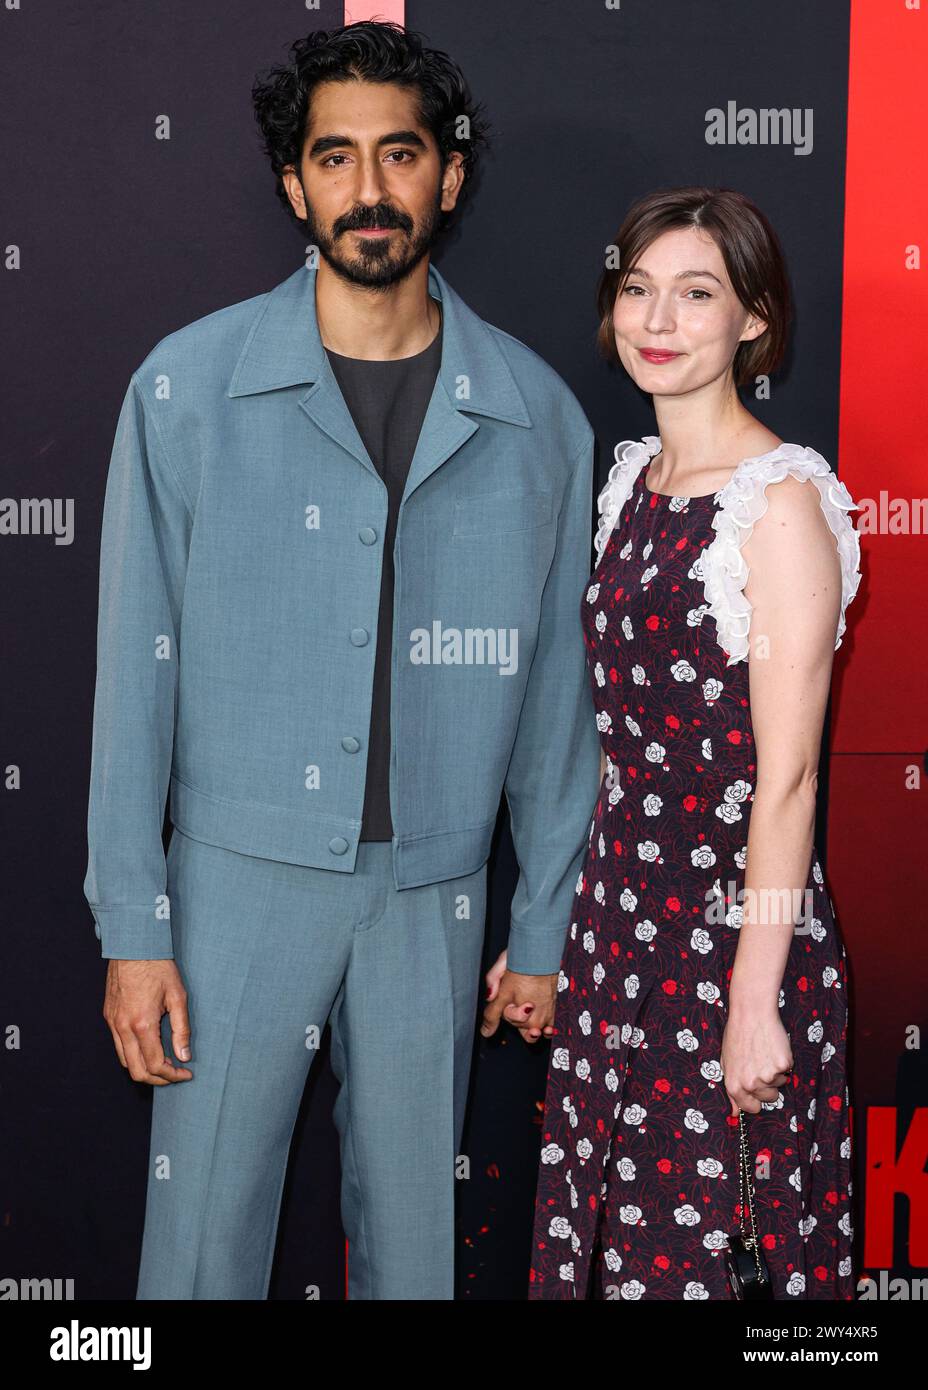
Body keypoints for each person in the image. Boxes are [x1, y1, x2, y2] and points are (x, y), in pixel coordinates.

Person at [83, 21, 601, 1300]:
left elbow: (554, 703)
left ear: (450, 176)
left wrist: (542, 921)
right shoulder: (185, 392)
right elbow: (129, 679)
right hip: (232, 894)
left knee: (418, 1256)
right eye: (336, 157)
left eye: (401, 154)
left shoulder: (537, 416)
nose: (370, 189)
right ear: (293, 182)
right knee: (199, 1248)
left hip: (434, 898)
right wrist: (135, 925)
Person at [513, 186, 862, 1299]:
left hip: (731, 937)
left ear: (753, 318)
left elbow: (789, 780)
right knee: (608, 1243)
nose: (656, 320)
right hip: (617, 932)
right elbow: (618, 746)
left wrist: (754, 996)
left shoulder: (780, 504)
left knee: (714, 1253)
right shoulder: (632, 482)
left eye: (695, 293)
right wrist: (557, 930)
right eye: (636, 290)